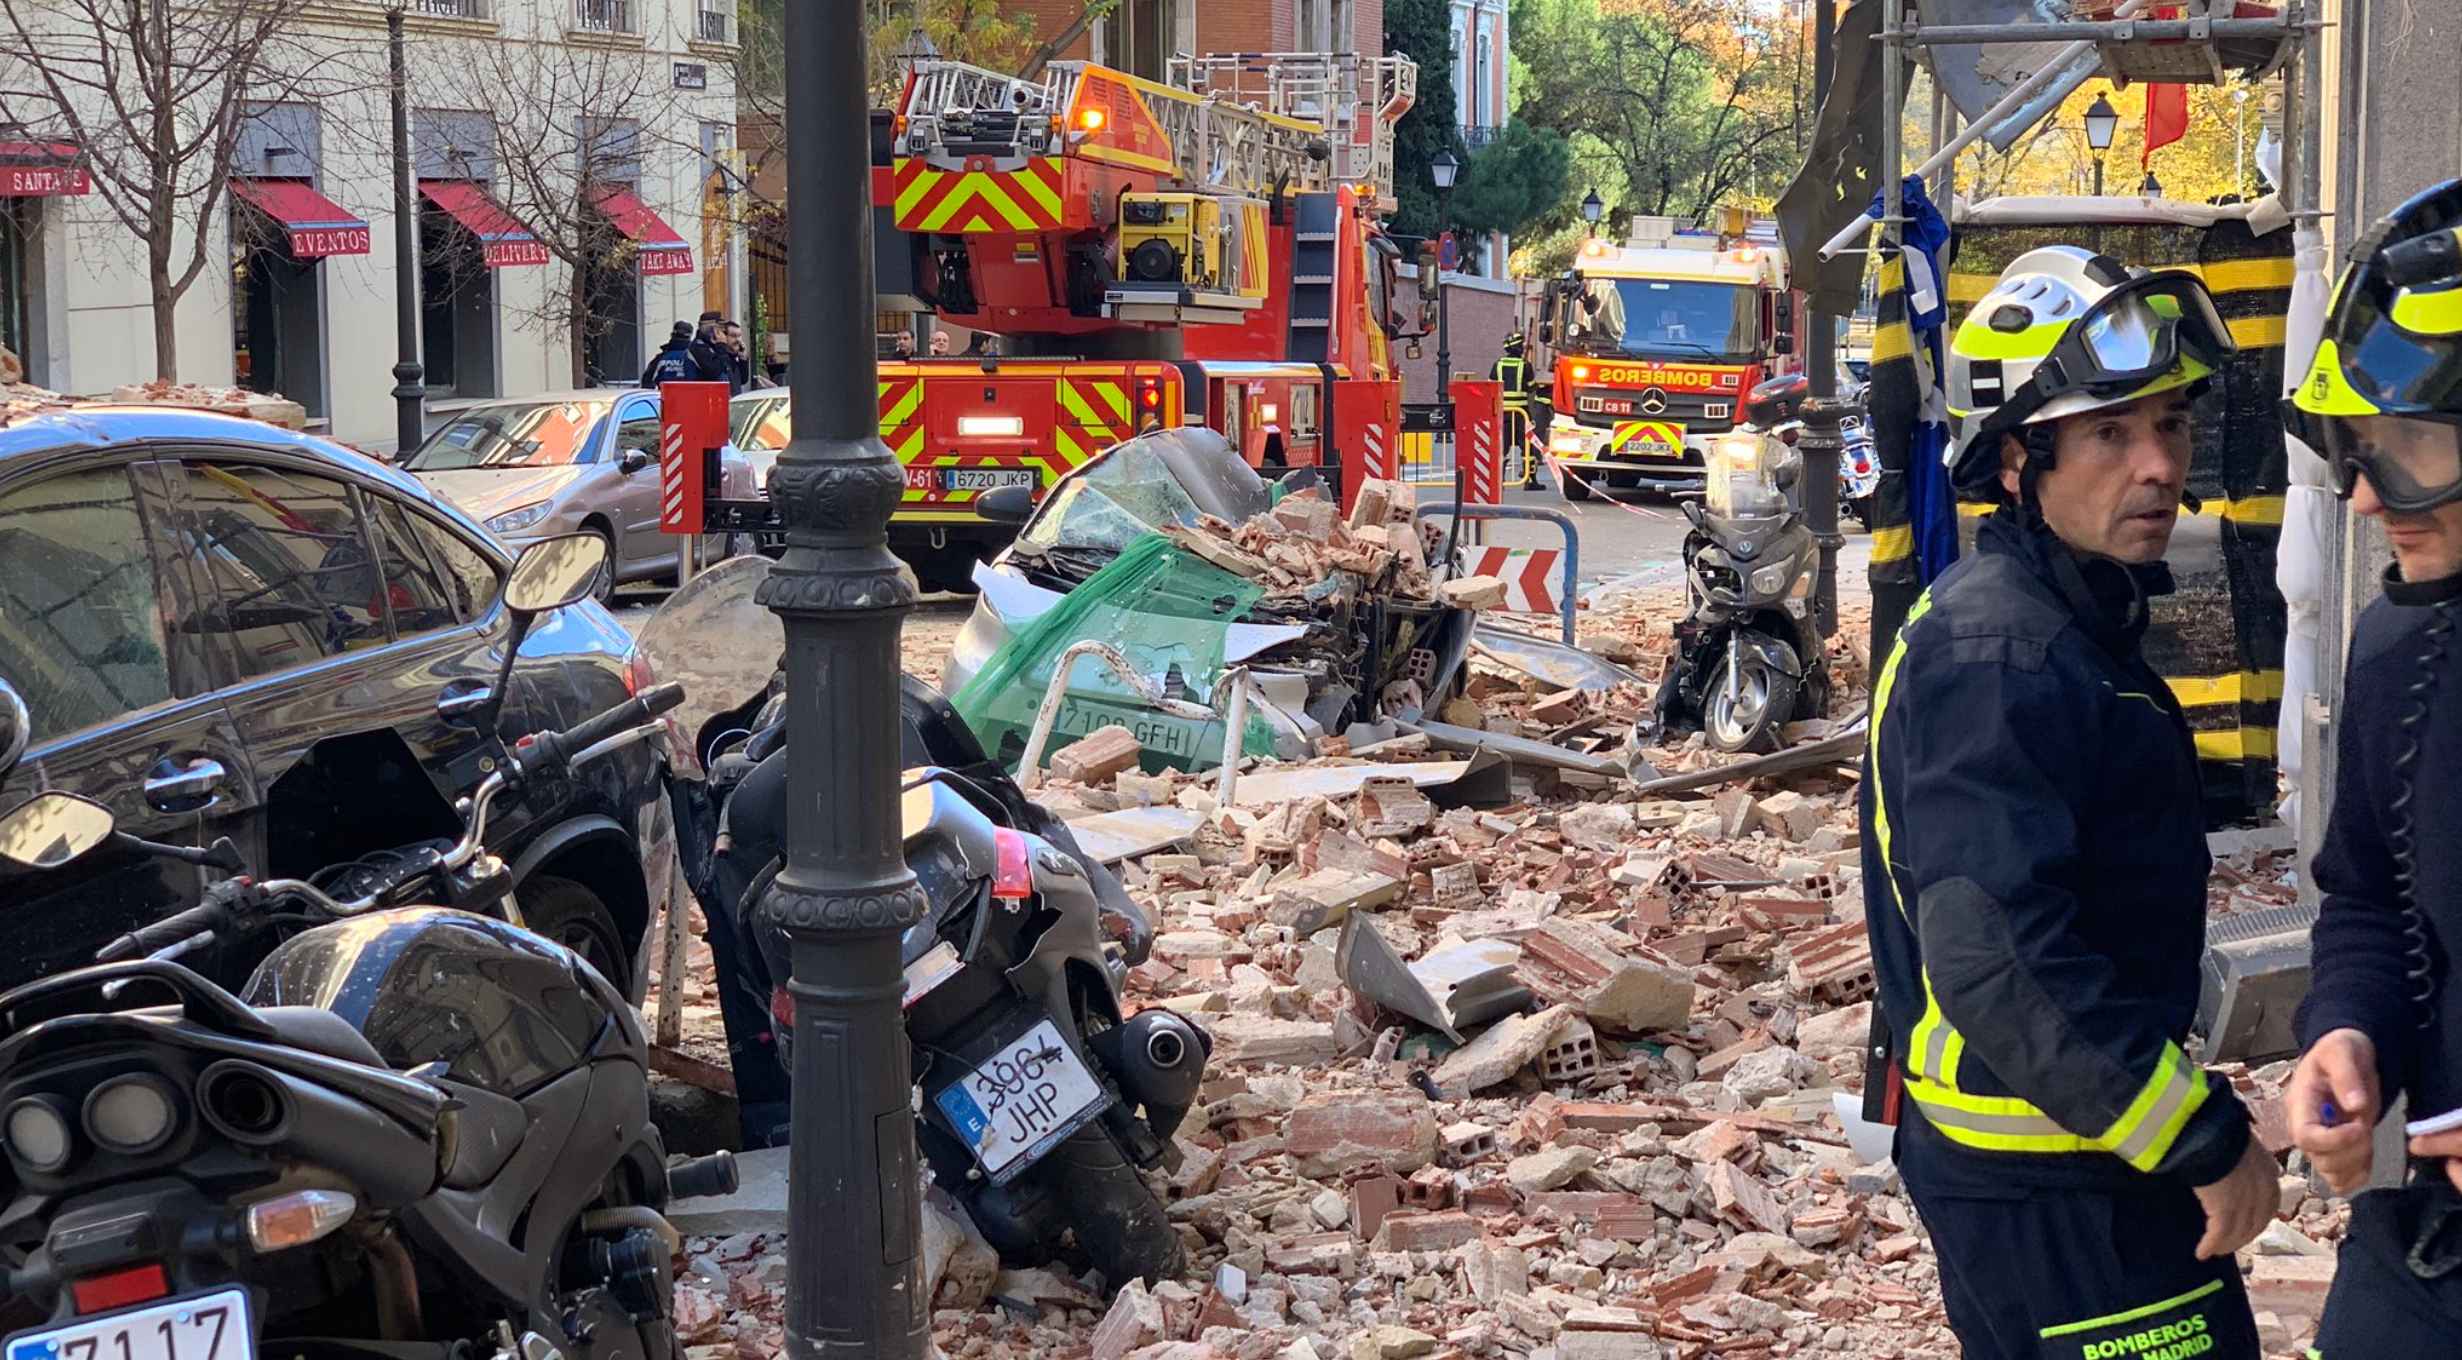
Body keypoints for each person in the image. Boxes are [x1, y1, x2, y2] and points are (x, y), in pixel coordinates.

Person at [1861, 245, 2274, 1359]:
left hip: (2068, 1154)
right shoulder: (2001, 654)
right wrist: (2202, 1137)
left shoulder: (2055, 622)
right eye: (2108, 433)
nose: (2156, 467)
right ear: (2014, 462)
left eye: (2172, 425)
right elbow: (2000, 960)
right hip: (2053, 1180)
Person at [2283, 177, 2462, 1352]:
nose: (2360, 498)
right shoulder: (2403, 638)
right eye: (2355, 451)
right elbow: (2371, 895)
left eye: (2402, 451)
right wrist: (2343, 1027)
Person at [1492, 331, 1541, 489]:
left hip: (1502, 413)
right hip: (1521, 413)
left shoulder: (1498, 364)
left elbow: (1490, 386)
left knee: (1501, 447)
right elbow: (1532, 388)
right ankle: (1530, 481)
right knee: (1527, 447)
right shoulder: (1524, 365)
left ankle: (1498, 481)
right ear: (1518, 347)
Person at [641, 321, 701, 387]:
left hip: (664, 396)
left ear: (672, 335)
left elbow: (647, 382)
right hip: (690, 395)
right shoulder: (696, 357)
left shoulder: (660, 358)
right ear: (690, 336)